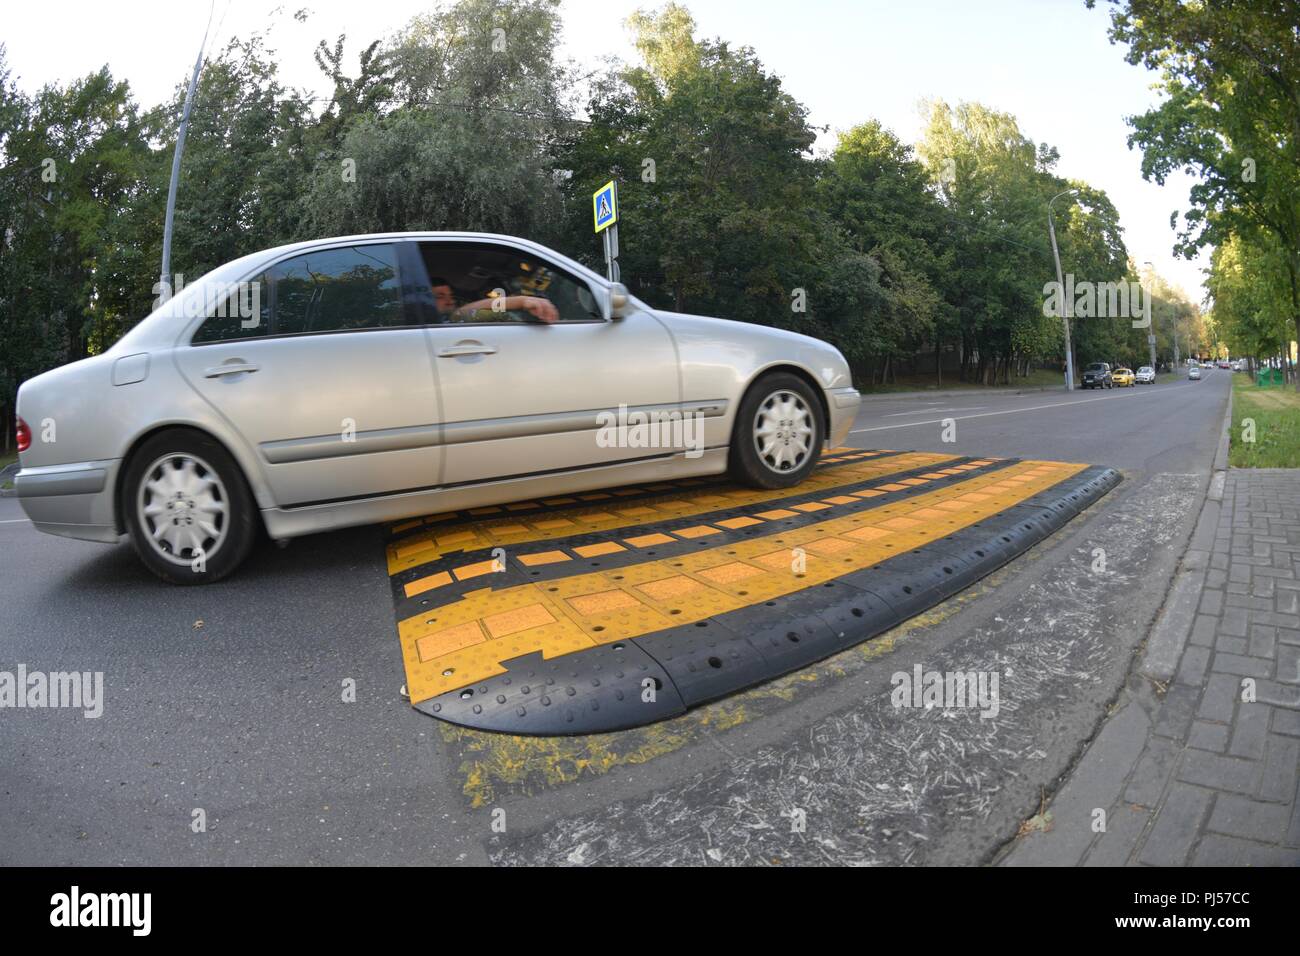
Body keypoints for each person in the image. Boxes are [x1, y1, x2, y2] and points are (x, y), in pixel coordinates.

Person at [428, 276, 559, 324]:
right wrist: (522, 301)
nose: (450, 301)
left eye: (450, 295)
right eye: (440, 296)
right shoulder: (452, 319)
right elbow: (464, 311)